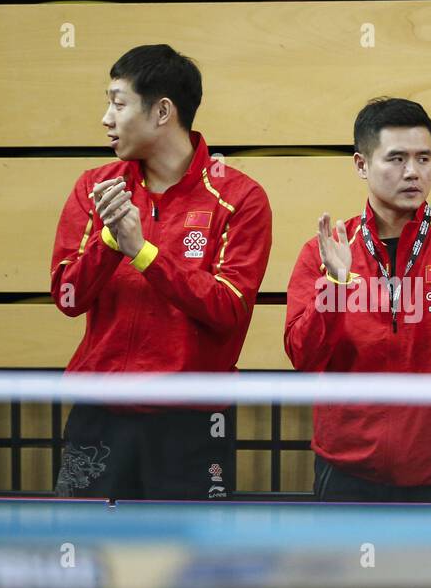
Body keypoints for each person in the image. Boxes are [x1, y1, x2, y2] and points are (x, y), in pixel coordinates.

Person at [51, 44, 272, 500]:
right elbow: (67, 297)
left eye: (118, 102)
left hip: (190, 423)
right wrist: (111, 243)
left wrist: (143, 252)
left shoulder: (240, 198)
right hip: (99, 415)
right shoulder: (95, 187)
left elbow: (228, 308)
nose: (105, 118)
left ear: (162, 112)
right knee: (86, 561)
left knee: (186, 568)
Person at [284, 98, 431, 502]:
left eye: (424, 158)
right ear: (361, 165)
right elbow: (302, 355)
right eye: (397, 159)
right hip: (348, 471)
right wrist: (334, 285)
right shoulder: (327, 251)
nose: (413, 172)